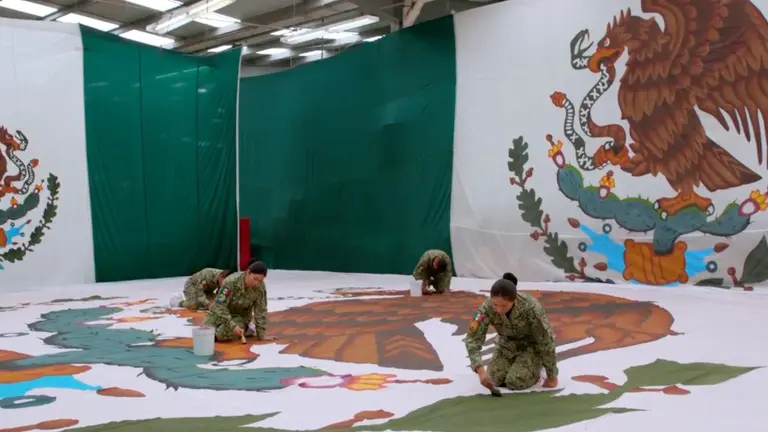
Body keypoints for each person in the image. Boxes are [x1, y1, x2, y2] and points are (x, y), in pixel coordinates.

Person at [465, 272, 558, 392]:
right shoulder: (486, 308)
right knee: (493, 379)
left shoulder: (530, 307)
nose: (498, 309)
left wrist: (552, 376)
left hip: (530, 347)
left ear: (514, 300)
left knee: (515, 381)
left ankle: (536, 365)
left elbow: (545, 340)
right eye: (495, 304)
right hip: (506, 346)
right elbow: (473, 339)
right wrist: (480, 370)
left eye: (504, 306)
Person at [203, 261, 275, 342]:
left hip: (240, 317)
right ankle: (244, 330)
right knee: (204, 332)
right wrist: (232, 325)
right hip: (221, 313)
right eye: (255, 279)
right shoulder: (231, 282)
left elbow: (260, 310)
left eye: (260, 281)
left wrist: (261, 334)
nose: (256, 283)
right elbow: (220, 305)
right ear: (247, 272)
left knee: (221, 335)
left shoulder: (260, 287)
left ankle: (245, 327)